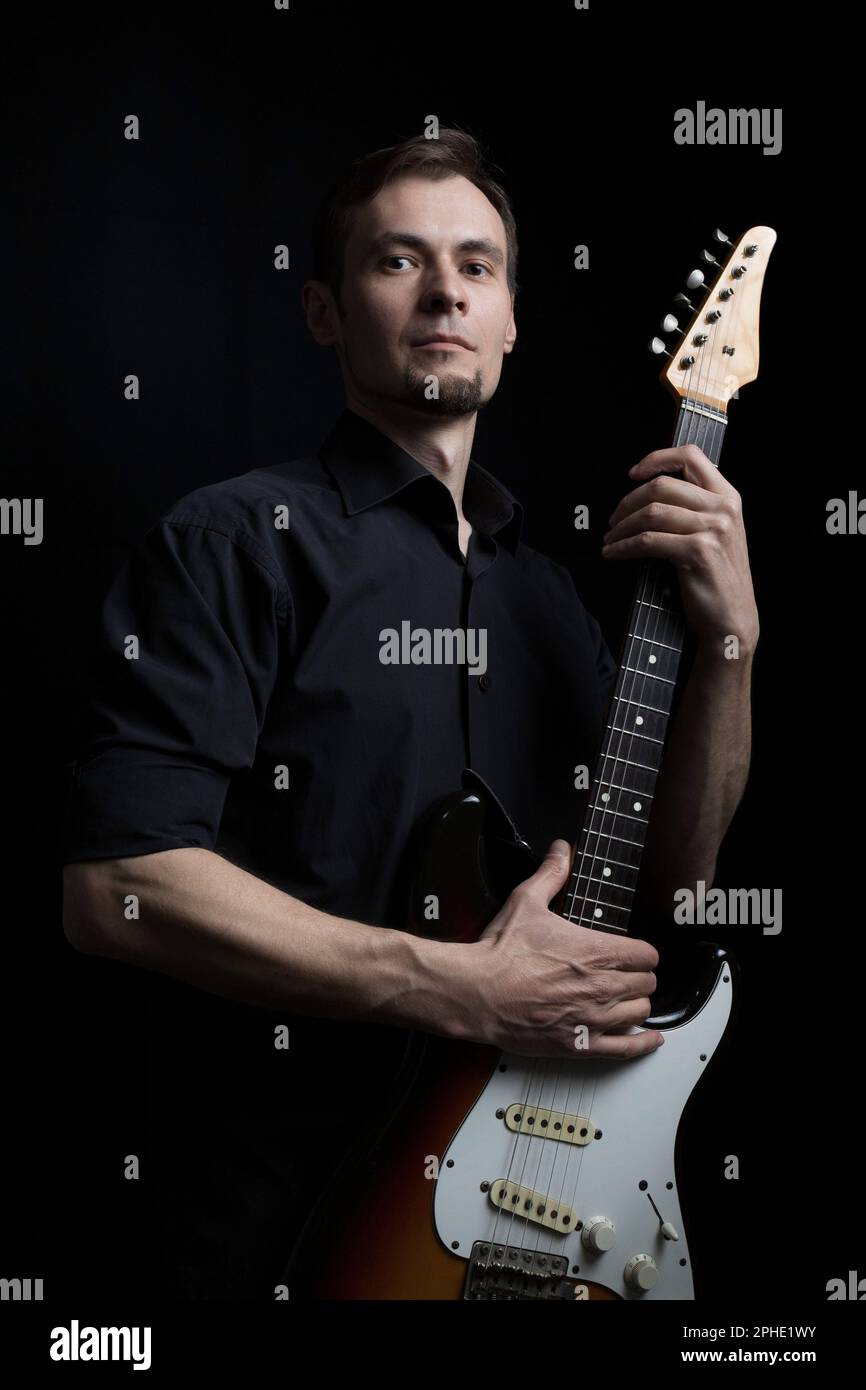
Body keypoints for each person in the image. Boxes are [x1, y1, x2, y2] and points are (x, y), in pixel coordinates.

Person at [61, 127, 758, 1299]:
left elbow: (659, 895)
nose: (445, 289)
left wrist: (730, 644)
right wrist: (453, 984)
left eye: (477, 266)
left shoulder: (549, 598)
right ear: (324, 311)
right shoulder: (235, 545)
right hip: (280, 1229)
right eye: (399, 261)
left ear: (512, 318)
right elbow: (114, 887)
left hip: (549, 1219)